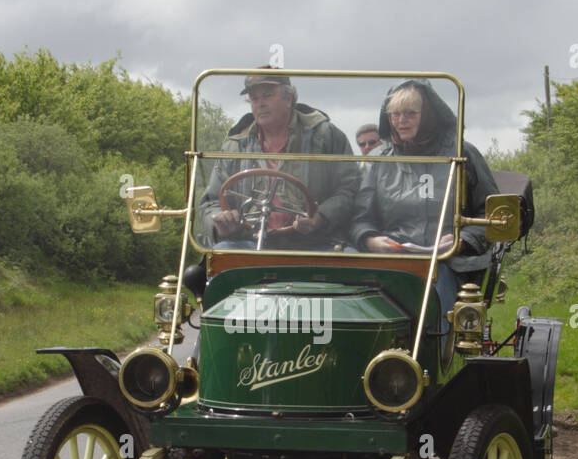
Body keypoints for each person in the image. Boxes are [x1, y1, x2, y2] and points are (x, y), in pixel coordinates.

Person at [348, 79, 499, 318]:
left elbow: (494, 215)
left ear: (428, 115)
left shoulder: (462, 154)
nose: (401, 121)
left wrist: (462, 240)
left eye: (410, 113)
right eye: (395, 114)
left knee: (434, 291)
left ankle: (434, 353)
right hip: (390, 261)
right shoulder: (378, 160)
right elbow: (359, 218)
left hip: (450, 262)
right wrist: (371, 240)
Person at [199, 72, 359, 249]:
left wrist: (320, 217)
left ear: (288, 98)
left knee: (350, 263)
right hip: (248, 243)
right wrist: (220, 224)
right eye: (254, 98)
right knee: (217, 262)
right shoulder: (235, 145)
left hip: (316, 242)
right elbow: (210, 201)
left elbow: (349, 188)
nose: (260, 104)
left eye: (267, 96)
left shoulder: (325, 136)